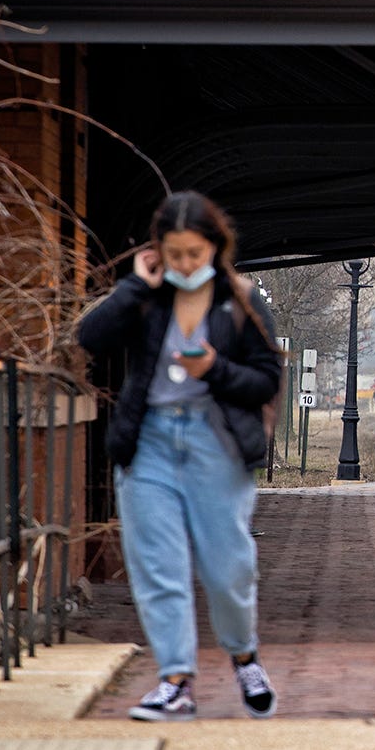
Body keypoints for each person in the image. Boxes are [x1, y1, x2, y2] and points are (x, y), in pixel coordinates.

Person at [77, 190, 283, 721]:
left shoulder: (239, 299)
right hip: (148, 446)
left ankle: (244, 655)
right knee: (158, 566)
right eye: (175, 254)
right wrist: (133, 285)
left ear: (214, 247)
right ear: (159, 251)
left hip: (215, 445)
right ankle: (175, 681)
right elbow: (90, 336)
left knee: (227, 567)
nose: (186, 265)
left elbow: (265, 379)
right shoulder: (146, 298)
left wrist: (213, 368)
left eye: (195, 253)